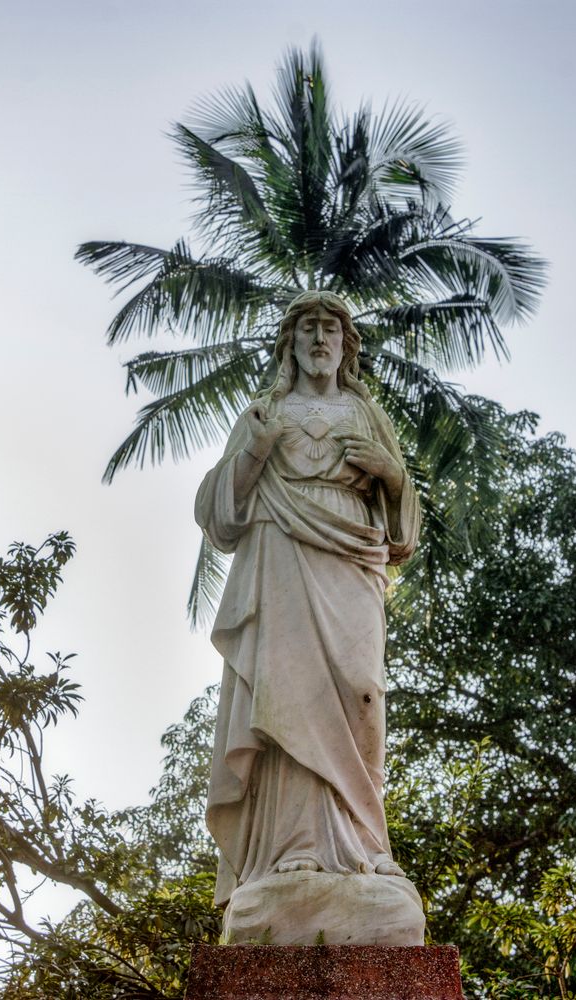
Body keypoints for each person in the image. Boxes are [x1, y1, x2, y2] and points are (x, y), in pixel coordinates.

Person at [195, 290, 420, 906]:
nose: (321, 338)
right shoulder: (264, 411)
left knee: (361, 692)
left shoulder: (367, 414)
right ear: (290, 342)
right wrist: (255, 451)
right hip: (281, 556)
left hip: (353, 559)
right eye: (309, 328)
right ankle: (293, 846)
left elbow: (404, 532)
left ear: (347, 345)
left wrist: (391, 473)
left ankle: (366, 840)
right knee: (288, 693)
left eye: (331, 329)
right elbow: (219, 516)